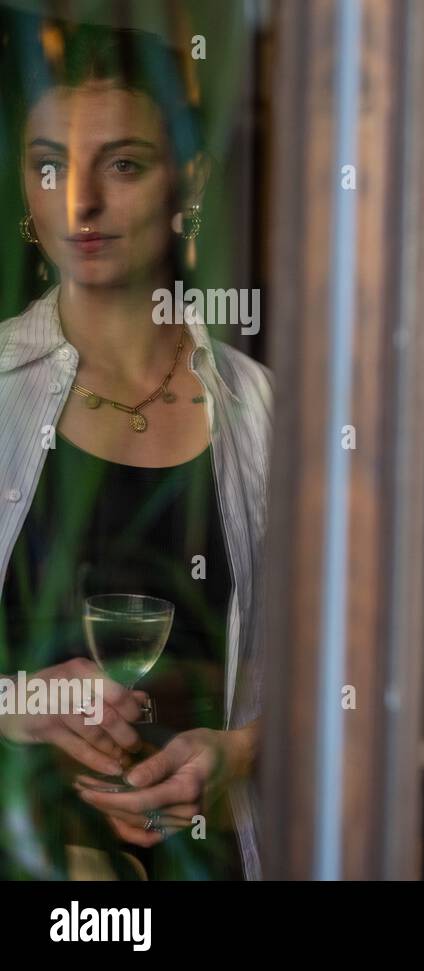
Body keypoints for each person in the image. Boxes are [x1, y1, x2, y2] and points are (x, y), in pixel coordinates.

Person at [0, 21, 271, 880]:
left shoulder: (270, 414)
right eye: (49, 165)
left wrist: (239, 753)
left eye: (121, 164)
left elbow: (335, 683)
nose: (78, 203)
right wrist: (11, 703)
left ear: (187, 184)